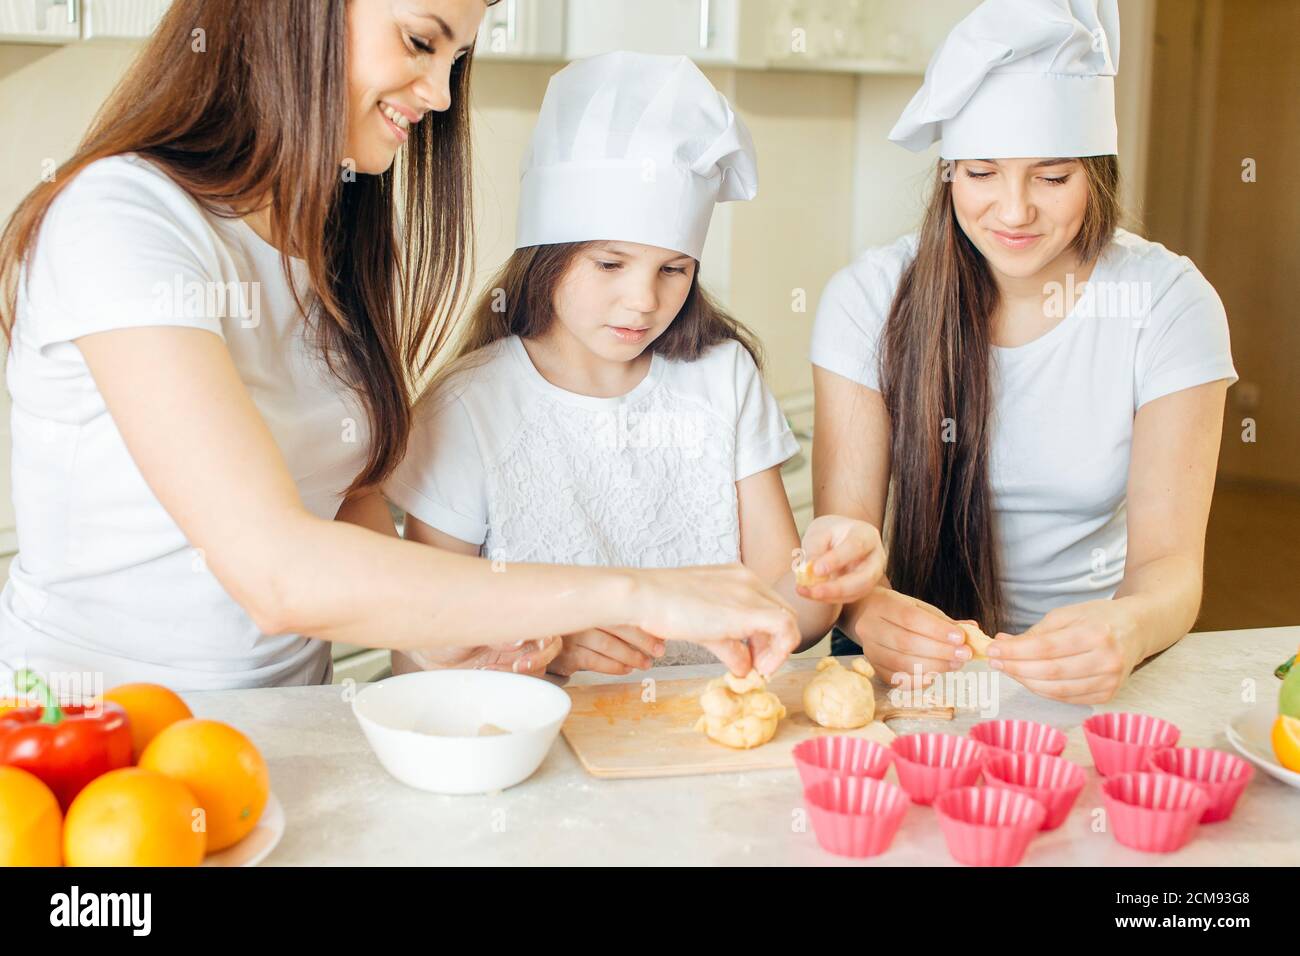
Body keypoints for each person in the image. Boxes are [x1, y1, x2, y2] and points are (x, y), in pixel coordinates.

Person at [0, 0, 800, 693]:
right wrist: (631, 593)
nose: (441, 94)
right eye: (422, 42)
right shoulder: (121, 220)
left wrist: (443, 635)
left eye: (457, 59)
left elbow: (344, 495)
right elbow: (277, 571)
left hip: (291, 732)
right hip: (99, 737)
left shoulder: (325, 240)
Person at [386, 52, 885, 679]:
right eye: (610, 264)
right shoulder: (468, 409)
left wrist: (827, 577)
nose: (643, 301)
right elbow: (417, 651)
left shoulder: (722, 378)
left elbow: (785, 606)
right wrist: (539, 647)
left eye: (673, 269)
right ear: (547, 254)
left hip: (700, 741)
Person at [810, 0, 1237, 703]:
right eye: (981, 173)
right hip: (915, 671)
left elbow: (1170, 567)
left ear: (1096, 172)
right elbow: (847, 540)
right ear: (948, 175)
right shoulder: (867, 300)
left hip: (1088, 671)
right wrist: (865, 607)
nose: (1013, 212)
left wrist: (1125, 629)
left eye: (1052, 176)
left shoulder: (1169, 304)